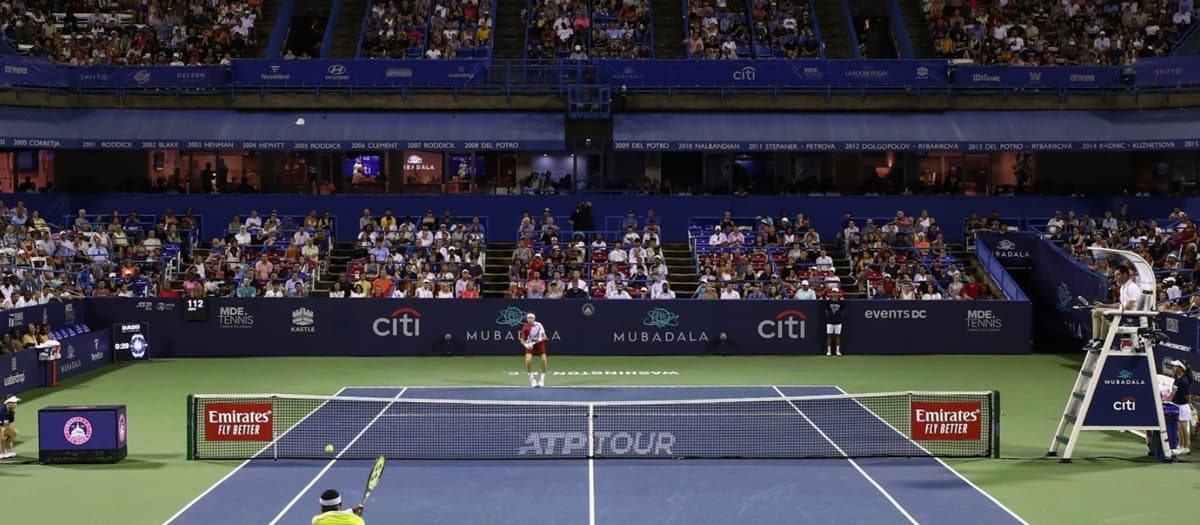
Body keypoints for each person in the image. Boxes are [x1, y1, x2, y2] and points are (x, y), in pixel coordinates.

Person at [1086, 266, 1141, 349]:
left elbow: (1129, 307)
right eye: (1115, 275)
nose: (1116, 277)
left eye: (1118, 275)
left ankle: (1102, 341)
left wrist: (1111, 310)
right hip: (1122, 312)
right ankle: (1095, 340)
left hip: (1130, 315)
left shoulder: (1133, 287)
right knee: (1096, 312)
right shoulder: (1123, 287)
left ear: (1125, 275)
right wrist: (1103, 305)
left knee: (1106, 314)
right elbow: (1120, 304)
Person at [1170, 361, 1194, 455]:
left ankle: (1186, 447)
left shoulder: (1184, 381)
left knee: (1183, 428)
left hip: (1183, 406)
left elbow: (1187, 395)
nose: (1173, 368)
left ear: (1180, 368)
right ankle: (1180, 445)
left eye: (1175, 366)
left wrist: (1189, 404)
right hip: (1177, 405)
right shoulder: (1177, 378)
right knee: (1179, 428)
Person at [519, 312, 549, 387]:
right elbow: (522, 339)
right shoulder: (525, 328)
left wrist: (540, 339)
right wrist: (526, 345)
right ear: (527, 319)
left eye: (531, 318)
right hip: (530, 345)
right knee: (528, 361)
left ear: (534, 319)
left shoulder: (539, 325)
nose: (530, 319)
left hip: (539, 345)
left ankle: (542, 380)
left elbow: (544, 336)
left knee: (544, 360)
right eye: (529, 318)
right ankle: (532, 380)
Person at [824, 287, 845, 356]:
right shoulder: (828, 302)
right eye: (833, 292)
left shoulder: (841, 302)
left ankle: (837, 351)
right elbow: (826, 311)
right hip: (829, 321)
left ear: (838, 293)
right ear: (831, 293)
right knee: (829, 336)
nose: (834, 293)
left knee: (838, 336)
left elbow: (842, 311)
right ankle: (829, 351)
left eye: (835, 292)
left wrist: (838, 317)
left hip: (838, 321)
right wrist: (830, 317)